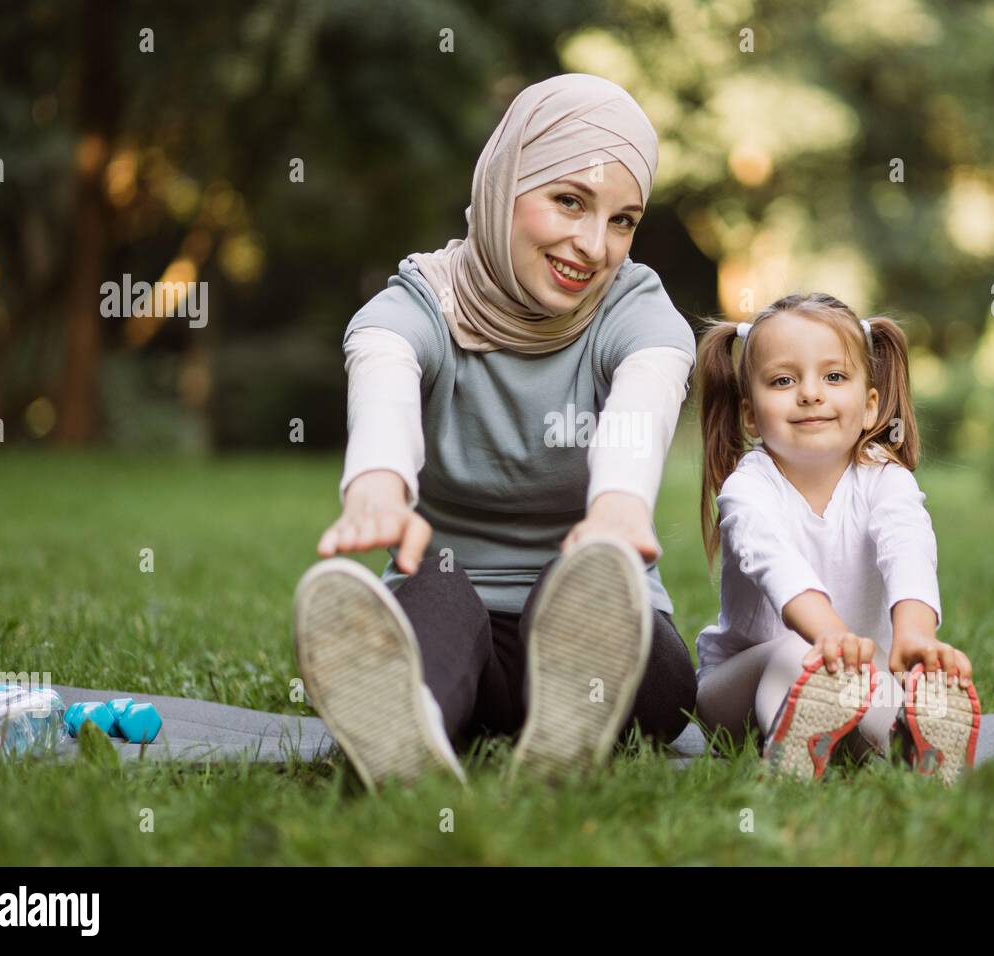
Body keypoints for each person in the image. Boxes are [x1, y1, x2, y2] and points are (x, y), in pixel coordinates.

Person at [293, 73, 699, 790]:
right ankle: (408, 721)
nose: (594, 245)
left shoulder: (633, 309)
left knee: (594, 606)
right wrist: (378, 484)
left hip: (602, 640)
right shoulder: (425, 301)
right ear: (504, 183)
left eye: (622, 220)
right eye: (569, 201)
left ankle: (569, 720)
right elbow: (381, 361)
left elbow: (650, 382)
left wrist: (619, 505)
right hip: (460, 641)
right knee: (438, 592)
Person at [691, 292, 981, 786]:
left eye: (834, 376)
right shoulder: (748, 487)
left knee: (883, 689)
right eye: (783, 381)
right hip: (735, 692)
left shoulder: (887, 482)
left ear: (870, 406)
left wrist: (915, 634)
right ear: (750, 416)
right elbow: (774, 561)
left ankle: (911, 744)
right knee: (795, 655)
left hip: (855, 678)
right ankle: (788, 759)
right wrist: (828, 636)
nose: (810, 393)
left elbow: (907, 549)